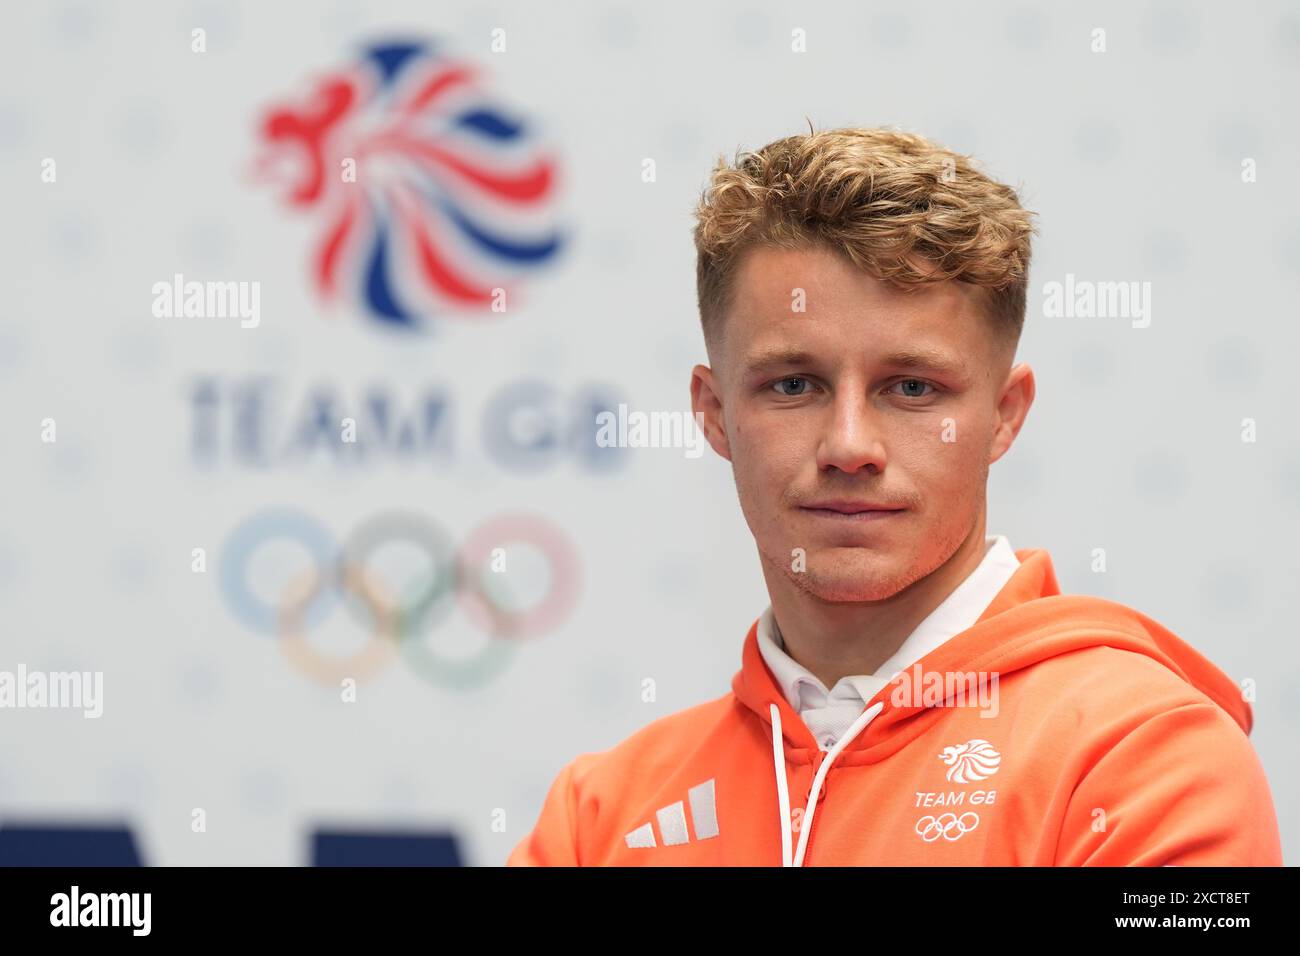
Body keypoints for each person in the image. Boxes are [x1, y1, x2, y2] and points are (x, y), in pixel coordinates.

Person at [507, 127, 1283, 866]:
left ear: (1003, 416)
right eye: (794, 384)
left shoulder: (1144, 759)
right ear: (712, 413)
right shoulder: (602, 815)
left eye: (912, 387)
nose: (849, 446)